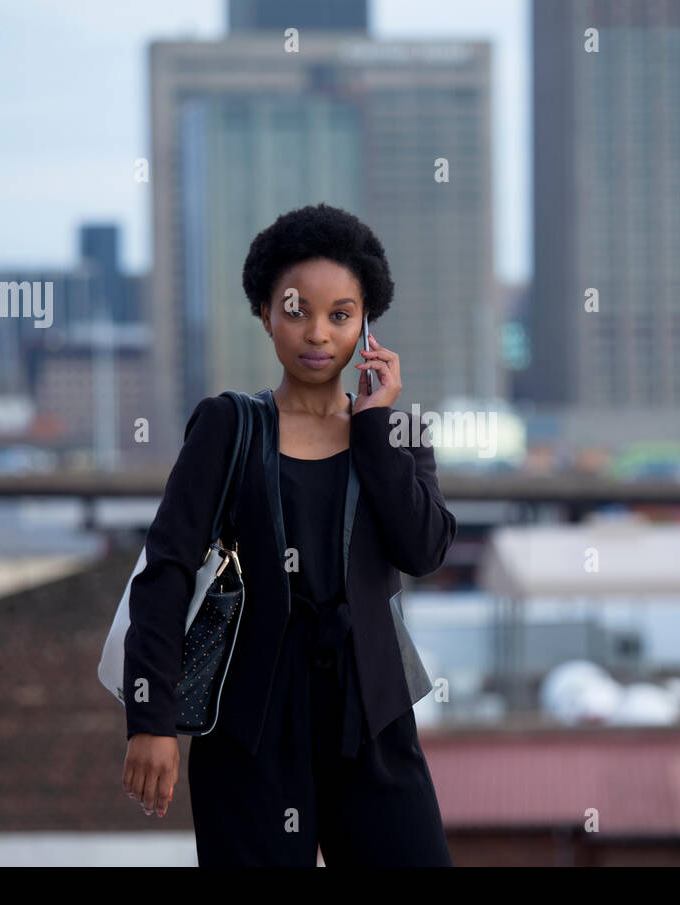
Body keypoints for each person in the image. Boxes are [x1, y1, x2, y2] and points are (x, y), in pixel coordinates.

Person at [121, 203, 454, 866]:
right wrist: (150, 722)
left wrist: (373, 427)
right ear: (265, 312)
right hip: (252, 723)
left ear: (366, 324)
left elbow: (424, 551)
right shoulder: (228, 427)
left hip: (373, 718)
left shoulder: (396, 431)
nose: (318, 333)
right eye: (297, 309)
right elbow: (163, 574)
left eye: (341, 314)